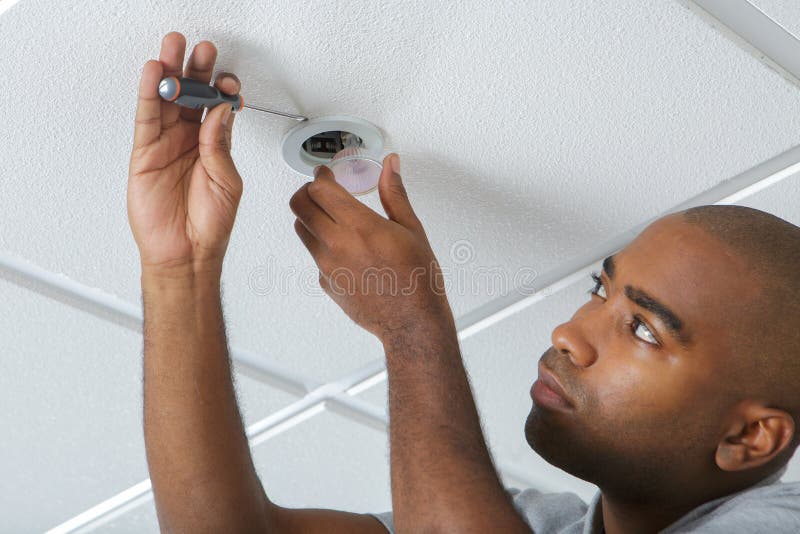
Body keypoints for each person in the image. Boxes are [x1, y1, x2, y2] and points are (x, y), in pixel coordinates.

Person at [127, 32, 800, 533]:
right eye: (601, 290)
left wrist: (412, 324)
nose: (570, 333)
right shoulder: (539, 524)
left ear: (750, 439)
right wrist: (178, 267)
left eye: (644, 329)